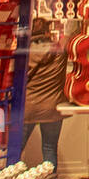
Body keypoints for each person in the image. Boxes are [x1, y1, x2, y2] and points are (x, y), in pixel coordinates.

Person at [23, 17, 68, 167]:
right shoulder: (60, 52)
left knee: (16, 150)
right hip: (52, 108)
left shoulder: (24, 54)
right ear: (48, 32)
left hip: (28, 108)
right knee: (49, 149)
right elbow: (70, 38)